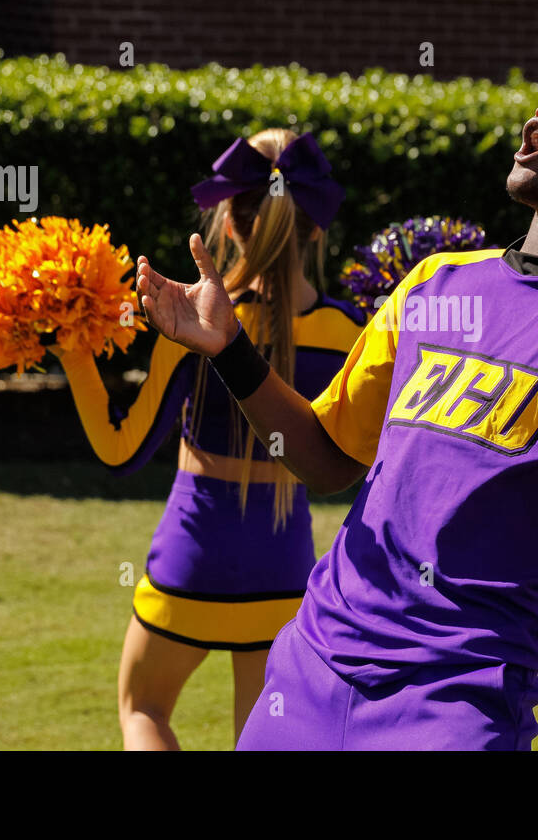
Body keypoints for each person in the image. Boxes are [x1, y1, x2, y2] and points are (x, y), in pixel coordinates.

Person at [136, 67, 538, 750]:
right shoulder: (437, 282)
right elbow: (328, 460)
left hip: (456, 696)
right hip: (310, 669)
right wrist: (231, 350)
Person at [51, 129, 365, 749]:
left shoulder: (197, 322)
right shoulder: (348, 331)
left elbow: (121, 452)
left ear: (228, 221)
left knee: (143, 710)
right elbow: (356, 461)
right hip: (283, 571)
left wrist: (73, 353)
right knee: (259, 740)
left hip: (189, 558)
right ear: (316, 228)